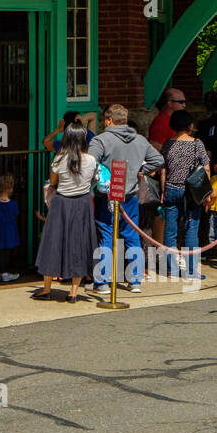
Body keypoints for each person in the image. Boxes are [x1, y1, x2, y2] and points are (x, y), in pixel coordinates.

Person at [89, 104, 164, 292]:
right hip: (130, 194)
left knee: (106, 234)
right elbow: (158, 160)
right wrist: (141, 170)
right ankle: (135, 280)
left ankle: (102, 281)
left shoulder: (101, 140)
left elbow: (90, 163)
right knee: (131, 236)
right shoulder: (139, 140)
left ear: (108, 120)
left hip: (106, 195)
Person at [32, 123, 97, 303]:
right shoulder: (91, 160)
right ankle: (74, 291)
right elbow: (93, 180)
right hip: (82, 204)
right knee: (79, 244)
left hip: (61, 203)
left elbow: (53, 183)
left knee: (53, 243)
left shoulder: (60, 159)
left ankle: (46, 289)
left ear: (67, 138)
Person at [158, 109, 210, 279]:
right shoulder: (197, 144)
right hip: (192, 192)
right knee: (191, 229)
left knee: (171, 231)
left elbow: (163, 170)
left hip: (172, 189)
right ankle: (191, 270)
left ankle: (171, 269)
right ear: (189, 125)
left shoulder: (167, 144)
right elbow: (206, 168)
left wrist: (163, 191)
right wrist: (206, 192)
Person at [0, 173, 22, 282]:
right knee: (7, 253)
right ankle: (4, 273)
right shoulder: (13, 204)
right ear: (10, 188)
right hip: (10, 232)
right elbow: (16, 214)